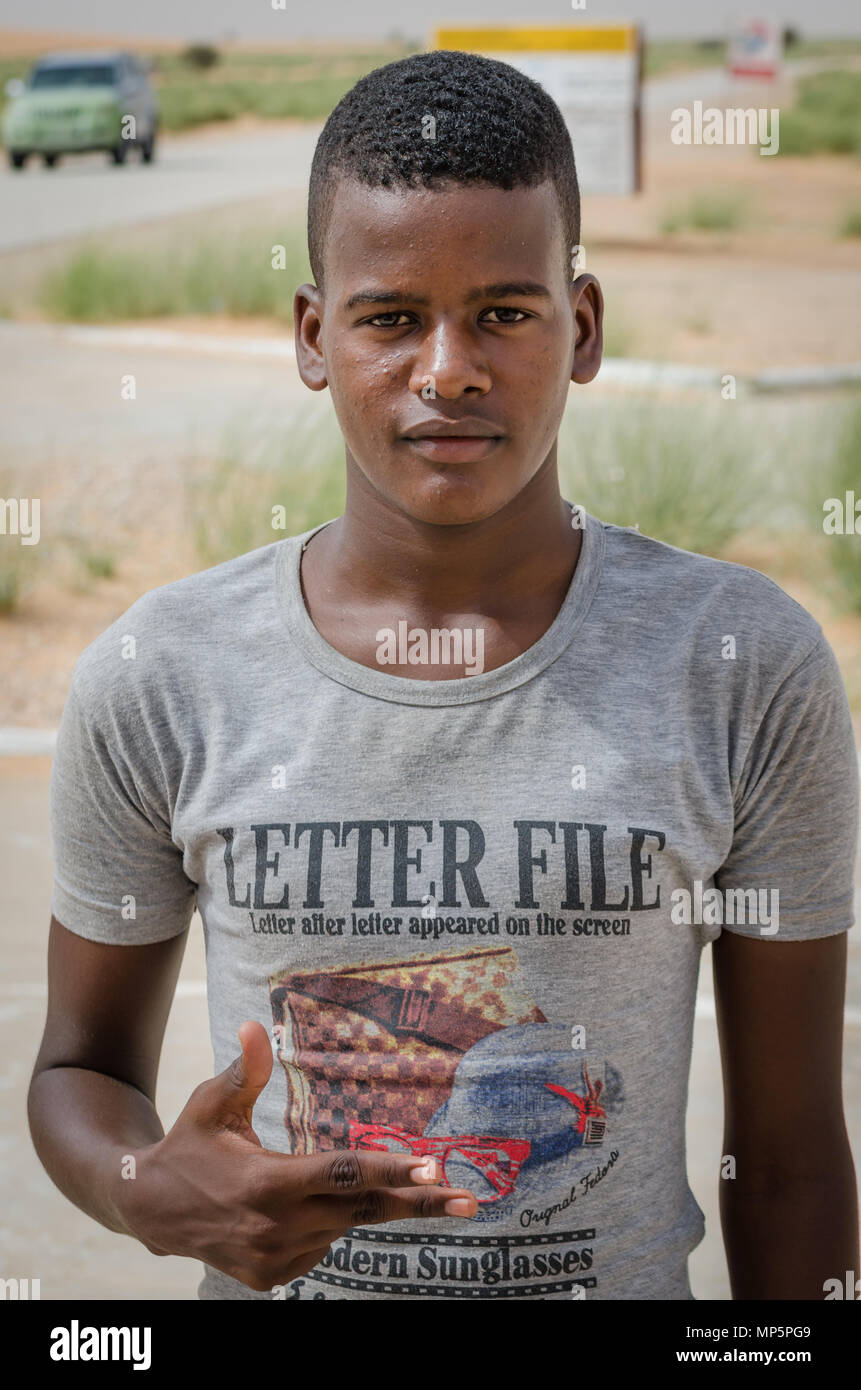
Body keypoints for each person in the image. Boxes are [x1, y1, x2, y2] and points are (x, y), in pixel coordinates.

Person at [30, 49, 858, 1302]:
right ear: (316, 337)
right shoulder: (166, 673)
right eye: (391, 317)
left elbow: (791, 1158)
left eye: (505, 313)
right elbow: (75, 1071)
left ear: (580, 330)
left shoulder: (740, 663)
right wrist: (154, 1189)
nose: (448, 370)